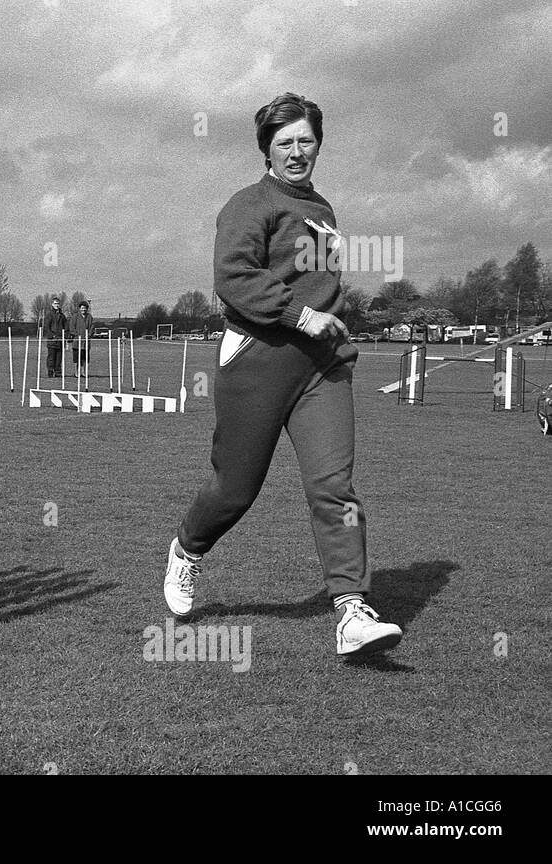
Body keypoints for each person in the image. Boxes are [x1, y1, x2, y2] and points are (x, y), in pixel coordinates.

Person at [164, 92, 402, 658]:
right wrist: (300, 314)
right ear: (267, 149)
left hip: (321, 369)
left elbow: (321, 289)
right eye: (285, 142)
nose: (297, 151)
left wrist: (333, 322)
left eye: (307, 141)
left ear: (319, 144)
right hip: (259, 359)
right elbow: (233, 278)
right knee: (236, 488)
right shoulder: (250, 203)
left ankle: (350, 609)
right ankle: (187, 550)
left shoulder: (324, 210)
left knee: (334, 487)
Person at [68, 301, 95, 383]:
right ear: (79, 308)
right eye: (82, 308)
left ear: (87, 309)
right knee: (77, 359)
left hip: (86, 342)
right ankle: (77, 372)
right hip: (77, 342)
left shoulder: (89, 317)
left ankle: (84, 372)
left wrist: (89, 335)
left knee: (85, 358)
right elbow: (71, 327)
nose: (83, 309)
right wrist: (76, 335)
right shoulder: (75, 316)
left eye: (85, 308)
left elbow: (92, 327)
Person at [44, 296, 67, 380]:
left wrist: (66, 336)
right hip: (52, 340)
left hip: (60, 340)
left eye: (58, 303)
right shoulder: (49, 315)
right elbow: (47, 327)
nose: (56, 305)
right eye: (55, 303)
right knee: (51, 357)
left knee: (59, 357)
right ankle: (50, 371)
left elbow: (66, 326)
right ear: (52, 304)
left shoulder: (62, 315)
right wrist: (52, 336)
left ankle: (58, 372)